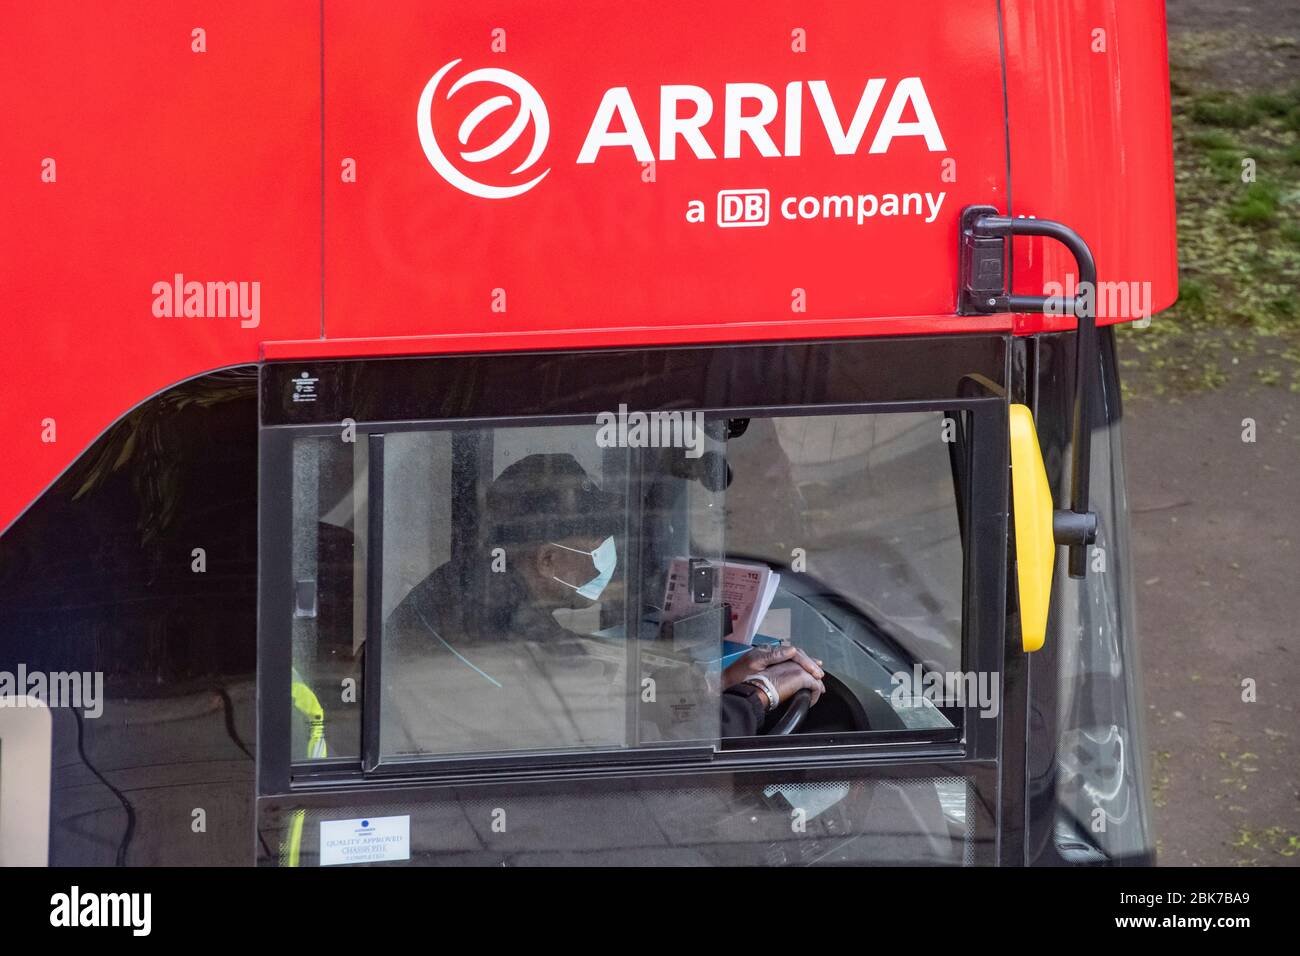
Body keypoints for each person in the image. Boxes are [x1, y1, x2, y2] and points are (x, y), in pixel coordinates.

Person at [383, 452, 825, 753]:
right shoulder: (517, 635)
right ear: (548, 559)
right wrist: (759, 695)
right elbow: (655, 739)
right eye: (595, 538)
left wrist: (714, 683)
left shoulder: (460, 585)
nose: (606, 550)